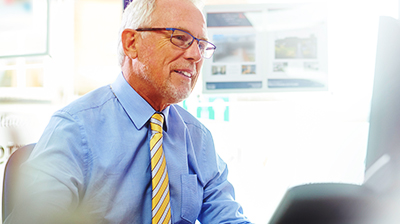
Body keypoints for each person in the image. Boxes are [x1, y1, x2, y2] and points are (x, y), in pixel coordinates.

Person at [4, 0, 252, 223]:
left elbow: (228, 219)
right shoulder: (74, 128)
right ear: (131, 43)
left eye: (201, 44)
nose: (196, 55)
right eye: (180, 38)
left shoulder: (198, 138)